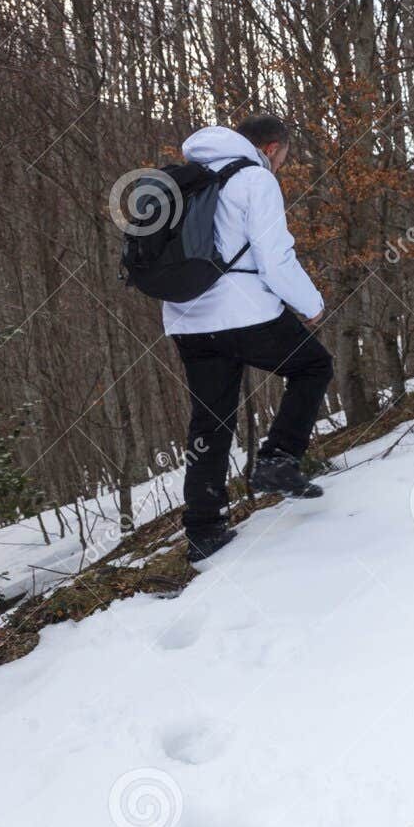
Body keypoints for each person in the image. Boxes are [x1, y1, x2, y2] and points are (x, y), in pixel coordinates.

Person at [166, 115, 333, 562]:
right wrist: (311, 304)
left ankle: (204, 531)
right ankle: (278, 460)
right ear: (273, 147)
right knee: (313, 365)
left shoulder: (185, 178)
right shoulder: (255, 178)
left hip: (186, 319)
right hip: (245, 313)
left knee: (210, 422)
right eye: (285, 156)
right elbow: (275, 258)